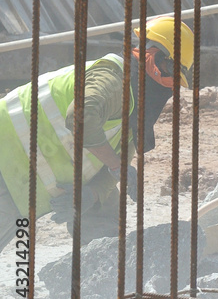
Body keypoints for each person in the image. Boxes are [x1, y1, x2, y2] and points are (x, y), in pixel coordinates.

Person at [0, 16, 194, 252]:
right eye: (170, 71)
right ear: (151, 54)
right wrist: (116, 165)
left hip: (23, 186)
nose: (170, 83)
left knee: (106, 204)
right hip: (5, 157)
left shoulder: (136, 110)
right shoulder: (113, 79)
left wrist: (90, 194)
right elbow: (81, 116)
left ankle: (96, 278)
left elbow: (115, 168)